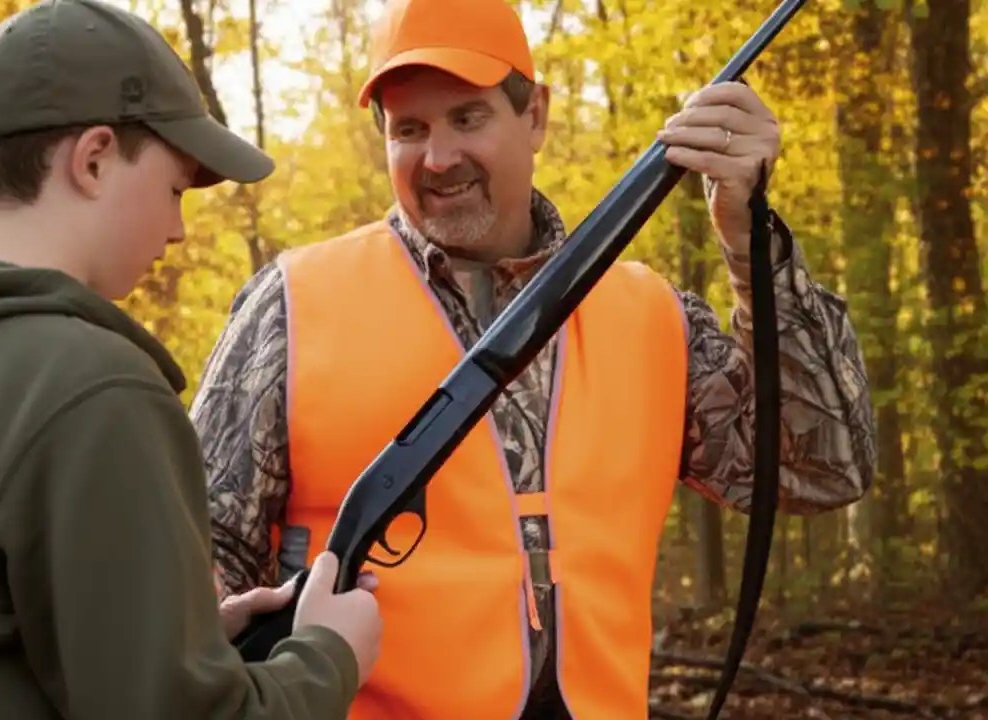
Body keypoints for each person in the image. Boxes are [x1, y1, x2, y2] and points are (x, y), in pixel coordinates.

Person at [191, 0, 877, 717]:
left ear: (537, 116)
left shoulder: (650, 314)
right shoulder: (292, 306)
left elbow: (824, 469)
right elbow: (196, 558)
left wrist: (750, 238)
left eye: (468, 118)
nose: (439, 158)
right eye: (409, 129)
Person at [0, 2, 382, 718]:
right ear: (94, 159)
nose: (177, 229)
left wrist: (185, 639)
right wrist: (329, 656)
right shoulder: (93, 389)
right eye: (174, 190)